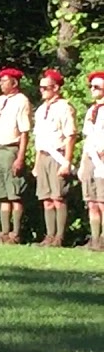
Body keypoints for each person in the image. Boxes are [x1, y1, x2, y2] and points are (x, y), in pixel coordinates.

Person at [0, 67, 32, 244]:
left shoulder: (21, 101)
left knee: (14, 193)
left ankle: (15, 232)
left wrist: (20, 157)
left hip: (11, 149)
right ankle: (4, 232)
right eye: (0, 81)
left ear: (14, 83)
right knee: (2, 194)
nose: (1, 84)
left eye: (4, 81)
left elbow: (24, 131)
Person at [33, 69, 76, 247]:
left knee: (58, 197)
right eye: (41, 88)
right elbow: (38, 139)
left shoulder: (64, 107)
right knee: (46, 198)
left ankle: (59, 236)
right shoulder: (40, 110)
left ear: (56, 88)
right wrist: (36, 164)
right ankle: (49, 235)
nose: (42, 91)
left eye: (45, 88)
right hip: (43, 155)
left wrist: (67, 162)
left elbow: (70, 136)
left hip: (57, 156)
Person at [78, 72, 104, 250]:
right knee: (91, 201)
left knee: (102, 200)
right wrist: (82, 163)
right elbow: (87, 137)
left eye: (97, 87)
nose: (92, 90)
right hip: (89, 156)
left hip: (102, 157)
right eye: (91, 86)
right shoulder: (91, 110)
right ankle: (94, 239)